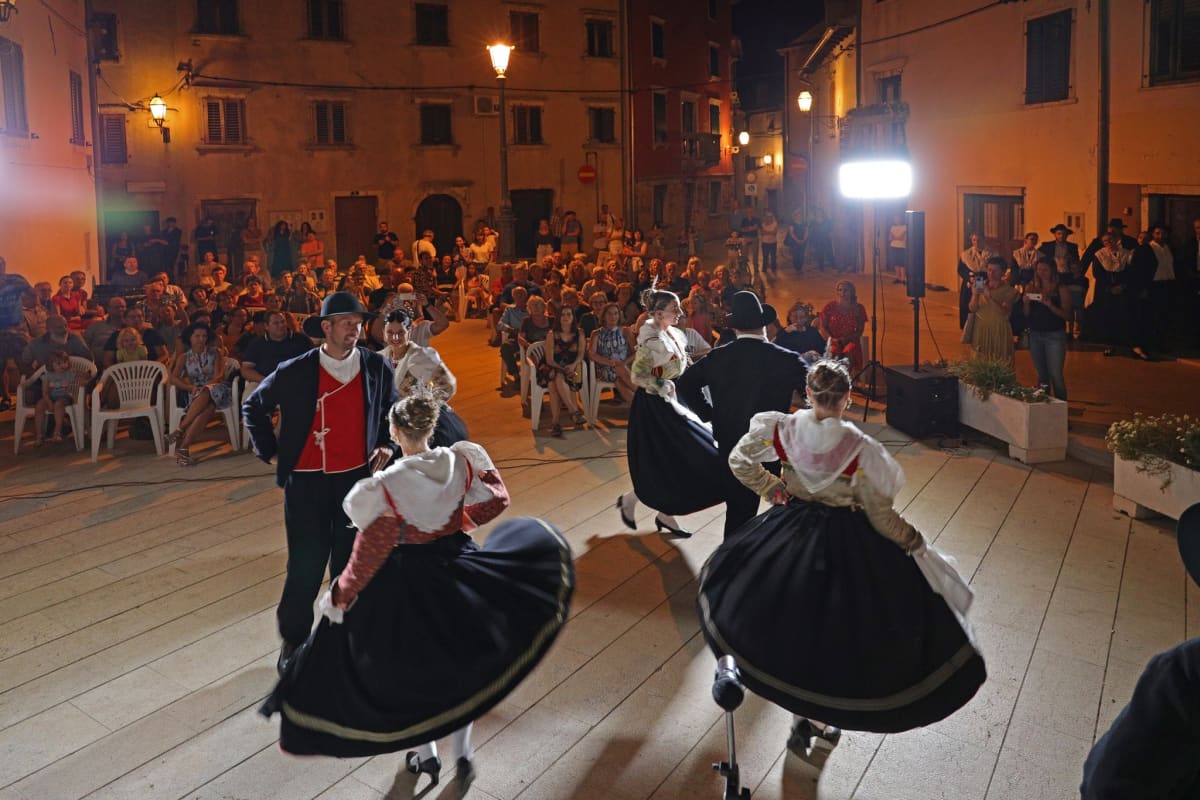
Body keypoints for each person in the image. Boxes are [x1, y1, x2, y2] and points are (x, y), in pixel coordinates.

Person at [259, 396, 574, 798]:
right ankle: (462, 755)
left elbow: (370, 552)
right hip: (457, 564)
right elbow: (498, 499)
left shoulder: (386, 486)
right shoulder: (460, 459)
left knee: (406, 673)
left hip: (405, 581)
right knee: (458, 667)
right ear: (432, 426)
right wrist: (458, 521)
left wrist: (339, 595)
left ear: (393, 432)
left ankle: (425, 755)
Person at [698, 358, 986, 752]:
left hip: (790, 532)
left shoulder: (783, 428)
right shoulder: (859, 448)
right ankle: (816, 718)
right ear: (847, 399)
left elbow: (739, 460)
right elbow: (880, 514)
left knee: (796, 626)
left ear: (809, 393)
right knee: (834, 635)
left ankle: (800, 715)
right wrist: (913, 541)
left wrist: (773, 489)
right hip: (845, 543)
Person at [242, 292, 399, 675]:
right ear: (325, 327)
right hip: (307, 484)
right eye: (346, 321)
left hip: (355, 482)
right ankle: (294, 641)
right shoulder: (295, 369)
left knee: (349, 566)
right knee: (306, 567)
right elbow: (253, 408)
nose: (355, 328)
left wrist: (386, 444)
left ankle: (341, 641)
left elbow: (391, 412)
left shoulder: (377, 368)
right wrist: (274, 454)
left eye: (358, 322)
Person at [677, 291, 808, 538]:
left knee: (739, 512)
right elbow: (815, 392)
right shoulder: (786, 359)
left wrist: (710, 414)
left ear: (735, 328)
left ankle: (732, 567)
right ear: (764, 326)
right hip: (772, 445)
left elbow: (684, 385)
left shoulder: (718, 357)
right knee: (784, 508)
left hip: (732, 444)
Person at [616, 288, 739, 539]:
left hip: (676, 400)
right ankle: (638, 502)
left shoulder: (674, 335)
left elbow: (682, 367)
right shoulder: (650, 341)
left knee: (678, 460)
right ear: (659, 313)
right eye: (675, 309)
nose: (681, 313)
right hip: (656, 407)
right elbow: (638, 375)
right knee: (676, 459)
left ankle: (656, 510)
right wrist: (663, 382)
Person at [379, 305, 468, 448]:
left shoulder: (422, 356)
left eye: (400, 332)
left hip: (422, 425)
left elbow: (448, 386)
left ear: (409, 331)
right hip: (394, 425)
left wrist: (421, 410)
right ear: (383, 332)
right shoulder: (380, 357)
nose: (395, 337)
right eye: (390, 332)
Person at [166, 322, 230, 466]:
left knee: (207, 391)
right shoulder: (184, 357)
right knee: (206, 410)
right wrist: (189, 388)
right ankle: (183, 449)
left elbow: (219, 375)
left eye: (204, 336)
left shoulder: (215, 352)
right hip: (196, 393)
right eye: (197, 336)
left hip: (218, 389)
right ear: (190, 338)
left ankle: (180, 430)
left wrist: (207, 385)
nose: (201, 339)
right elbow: (173, 377)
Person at [1023, 256, 1072, 400]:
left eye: (1045, 270)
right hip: (1035, 334)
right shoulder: (1031, 287)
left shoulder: (1061, 289)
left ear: (1052, 271)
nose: (1041, 273)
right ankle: (1044, 407)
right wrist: (1025, 302)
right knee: (1041, 374)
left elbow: (1067, 315)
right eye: (1039, 269)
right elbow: (1026, 314)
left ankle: (1061, 408)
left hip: (1054, 335)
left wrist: (1050, 305)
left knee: (1056, 374)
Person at [539, 304, 587, 436]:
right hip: (552, 366)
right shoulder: (552, 334)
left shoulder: (579, 333)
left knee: (553, 384)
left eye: (569, 314)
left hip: (573, 367)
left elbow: (581, 355)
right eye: (563, 314)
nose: (566, 317)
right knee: (557, 377)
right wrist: (562, 369)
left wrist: (572, 366)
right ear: (558, 318)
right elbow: (549, 359)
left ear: (573, 317)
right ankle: (574, 412)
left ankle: (555, 423)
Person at [968, 256, 1017, 366]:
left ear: (1003, 272)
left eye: (995, 271)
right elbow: (972, 308)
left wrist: (988, 296)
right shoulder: (981, 285)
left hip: (998, 330)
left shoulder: (1009, 291)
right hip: (981, 328)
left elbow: (1003, 312)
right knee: (979, 362)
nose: (991, 273)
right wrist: (975, 295)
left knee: (998, 363)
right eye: (989, 270)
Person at [240, 310, 313, 383]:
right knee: (249, 393)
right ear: (266, 326)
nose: (281, 325)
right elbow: (246, 369)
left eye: (283, 322)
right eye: (276, 323)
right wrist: (266, 380)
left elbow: (313, 363)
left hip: (296, 382)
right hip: (263, 382)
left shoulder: (302, 340)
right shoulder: (257, 344)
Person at [588, 302, 636, 405]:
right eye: (609, 313)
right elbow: (591, 354)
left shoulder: (626, 331)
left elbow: (637, 352)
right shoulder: (596, 333)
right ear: (604, 316)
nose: (613, 316)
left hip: (626, 366)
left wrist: (624, 363)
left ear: (619, 315)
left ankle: (642, 411)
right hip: (606, 369)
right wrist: (609, 363)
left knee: (619, 382)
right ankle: (649, 397)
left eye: (615, 313)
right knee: (618, 369)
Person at [817, 280, 867, 375]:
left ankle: (843, 381)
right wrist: (832, 340)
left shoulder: (858, 308)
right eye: (840, 290)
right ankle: (833, 382)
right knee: (833, 353)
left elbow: (860, 331)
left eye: (846, 290)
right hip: (832, 340)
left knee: (848, 354)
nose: (842, 293)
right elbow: (822, 327)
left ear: (852, 292)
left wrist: (846, 339)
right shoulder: (830, 306)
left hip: (850, 341)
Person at [32, 349, 76, 445]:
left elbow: (80, 377)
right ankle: (39, 435)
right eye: (59, 363)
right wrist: (49, 403)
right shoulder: (47, 376)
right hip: (50, 397)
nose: (63, 365)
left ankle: (57, 432)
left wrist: (86, 376)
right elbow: (45, 392)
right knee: (39, 405)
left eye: (65, 362)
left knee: (58, 404)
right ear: (51, 364)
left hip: (65, 397)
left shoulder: (69, 374)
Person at [957, 232, 994, 329]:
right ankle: (967, 327)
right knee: (967, 304)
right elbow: (961, 269)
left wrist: (988, 278)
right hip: (970, 282)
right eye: (974, 240)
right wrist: (969, 278)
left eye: (979, 240)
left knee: (982, 304)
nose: (977, 242)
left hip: (985, 281)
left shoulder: (992, 253)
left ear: (984, 240)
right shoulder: (966, 254)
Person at [888, 214, 907, 283]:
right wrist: (897, 237)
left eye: (898, 218)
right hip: (894, 246)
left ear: (901, 219)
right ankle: (897, 277)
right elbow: (890, 238)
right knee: (896, 262)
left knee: (902, 263)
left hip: (902, 246)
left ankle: (903, 278)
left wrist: (895, 237)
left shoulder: (905, 227)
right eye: (895, 219)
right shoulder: (892, 227)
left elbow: (902, 238)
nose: (896, 220)